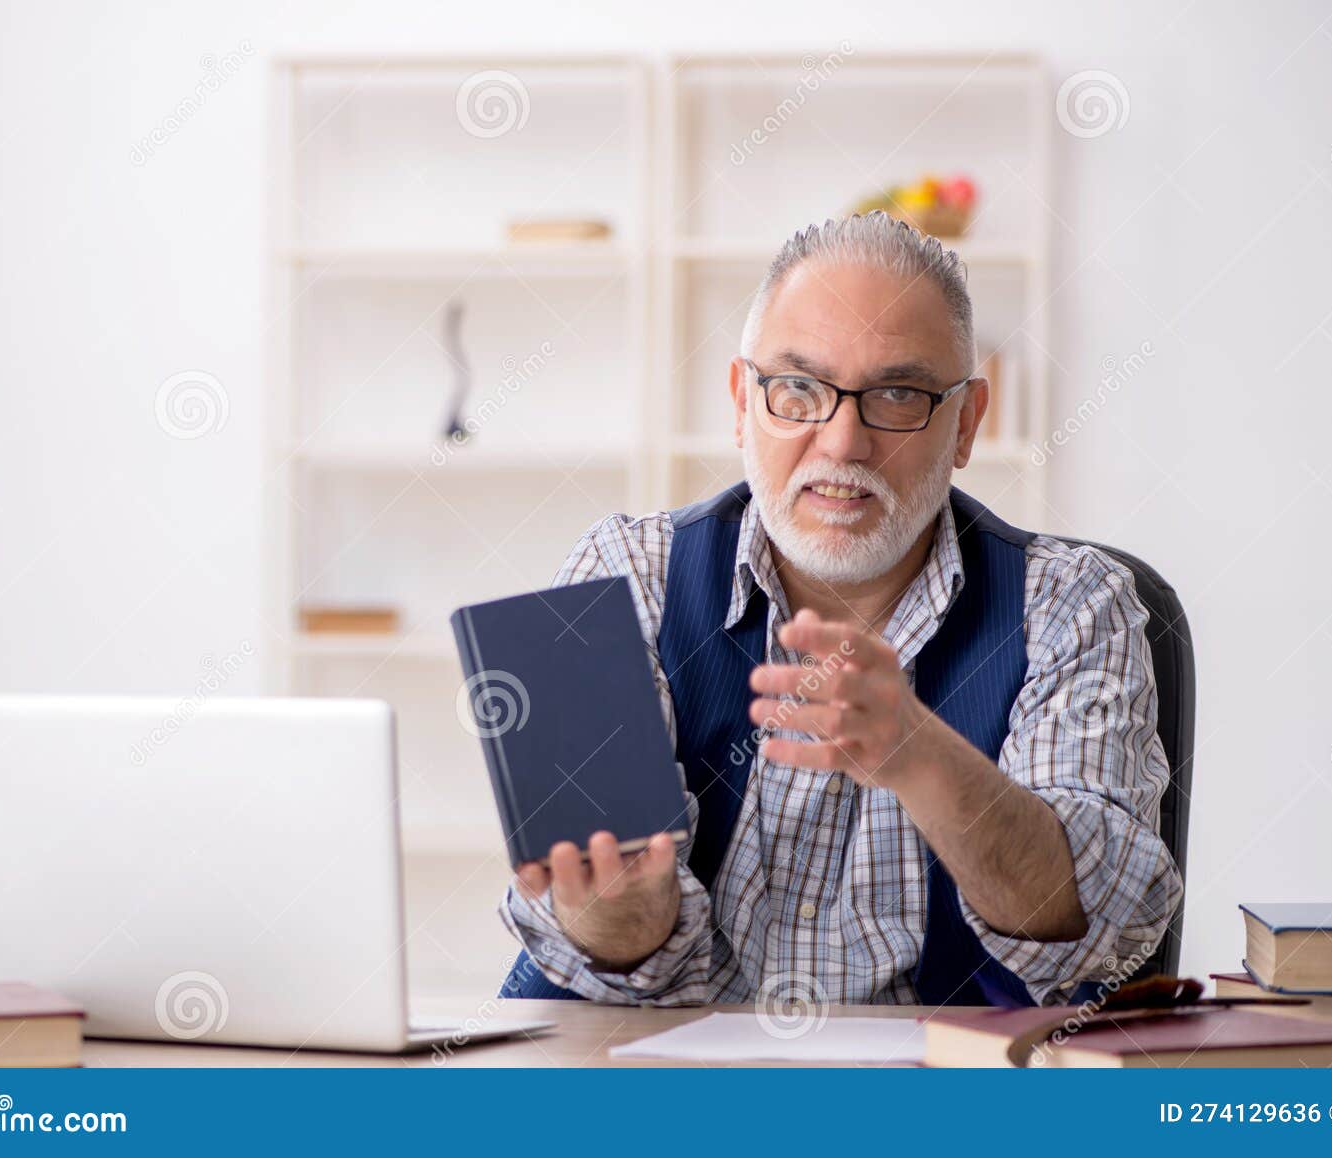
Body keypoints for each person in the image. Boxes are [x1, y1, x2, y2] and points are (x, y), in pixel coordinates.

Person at [499, 211, 1181, 1007]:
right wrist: (617, 909)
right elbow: (600, 951)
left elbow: (1110, 924)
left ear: (964, 423)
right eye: (797, 389)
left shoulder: (1072, 604)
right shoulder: (621, 579)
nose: (842, 441)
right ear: (741, 403)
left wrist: (924, 756)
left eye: (897, 394)